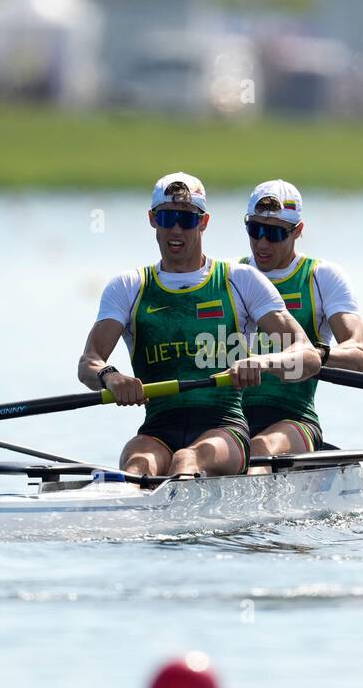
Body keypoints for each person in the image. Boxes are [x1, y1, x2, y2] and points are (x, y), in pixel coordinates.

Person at [78, 172, 320, 477]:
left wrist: (262, 362)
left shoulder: (240, 280)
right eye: (167, 218)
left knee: (187, 461)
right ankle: (126, 509)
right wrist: (111, 377)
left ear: (203, 222)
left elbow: (308, 356)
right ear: (153, 219)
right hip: (158, 430)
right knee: (137, 466)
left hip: (223, 429)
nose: (176, 228)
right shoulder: (128, 287)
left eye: (187, 219)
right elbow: (89, 362)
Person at [239, 179, 363, 472]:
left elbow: (358, 355)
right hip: (228, 419)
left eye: (273, 233)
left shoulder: (322, 278)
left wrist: (311, 355)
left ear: (298, 231)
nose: (261, 243)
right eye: (254, 230)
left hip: (293, 420)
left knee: (258, 449)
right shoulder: (232, 275)